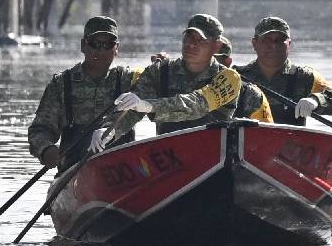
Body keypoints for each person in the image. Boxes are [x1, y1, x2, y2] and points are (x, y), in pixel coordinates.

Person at [105, 13, 243, 139]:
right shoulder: (159, 71)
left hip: (211, 151)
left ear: (216, 46)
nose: (191, 45)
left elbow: (196, 105)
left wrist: (148, 106)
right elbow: (133, 108)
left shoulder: (229, 78)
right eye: (188, 37)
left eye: (200, 40)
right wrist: (111, 130)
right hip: (167, 156)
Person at [27, 16, 135, 172]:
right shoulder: (62, 84)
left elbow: (159, 104)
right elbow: (40, 130)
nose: (101, 50)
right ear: (83, 46)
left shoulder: (130, 81)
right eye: (95, 44)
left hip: (123, 172)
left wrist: (162, 68)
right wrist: (46, 150)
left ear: (116, 48)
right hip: (74, 172)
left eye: (108, 45)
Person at [235, 16, 332, 126]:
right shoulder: (236, 77)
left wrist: (316, 101)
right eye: (266, 40)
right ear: (254, 43)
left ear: (289, 44)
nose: (273, 45)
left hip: (292, 142)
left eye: (279, 40)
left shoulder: (305, 77)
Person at [213, 36, 274, 124]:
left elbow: (269, 133)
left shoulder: (251, 94)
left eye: (211, 59)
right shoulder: (187, 88)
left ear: (227, 62)